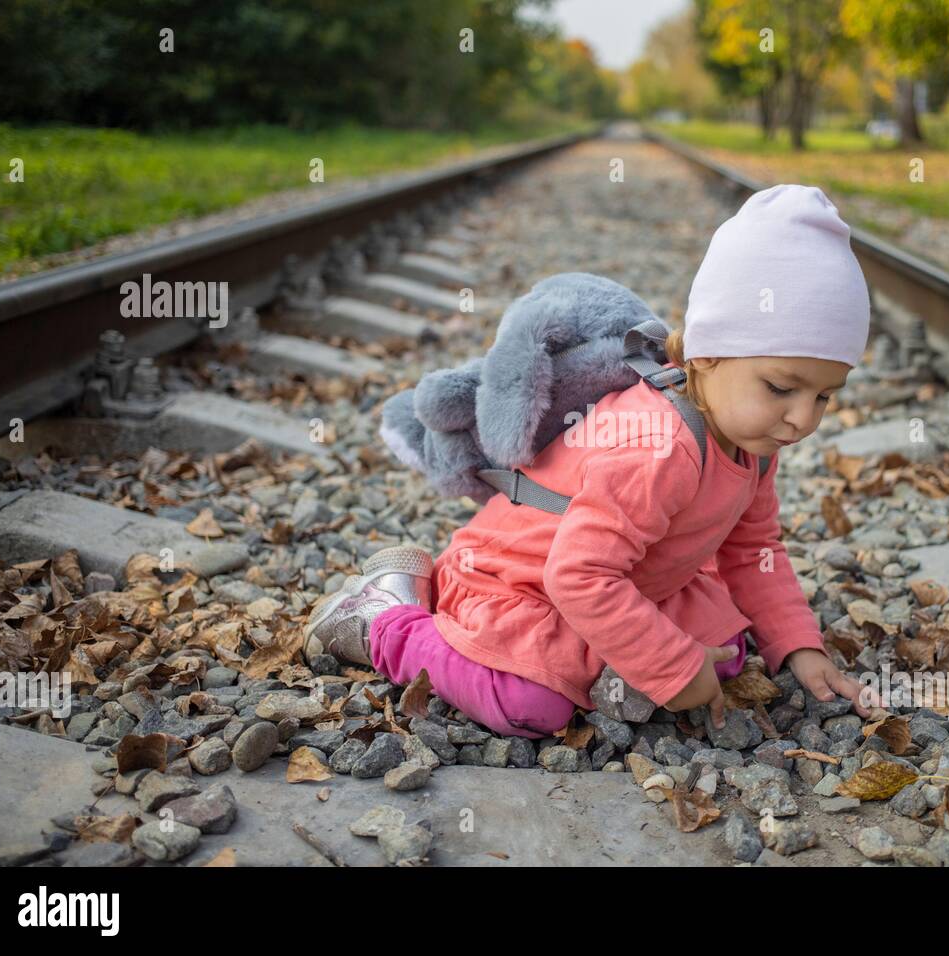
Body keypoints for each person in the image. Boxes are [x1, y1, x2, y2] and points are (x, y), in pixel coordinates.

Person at [303, 183, 884, 740]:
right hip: (522, 583)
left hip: (626, 580)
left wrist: (799, 645)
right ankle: (382, 617)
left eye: (824, 395)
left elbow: (754, 549)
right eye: (782, 387)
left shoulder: (752, 440)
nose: (803, 420)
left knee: (728, 655)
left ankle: (616, 668)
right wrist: (670, 665)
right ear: (705, 354)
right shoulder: (657, 448)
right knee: (533, 706)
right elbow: (576, 576)